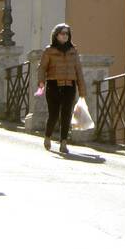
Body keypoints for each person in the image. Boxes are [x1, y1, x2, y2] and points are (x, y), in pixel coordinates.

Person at [37, 23, 87, 155]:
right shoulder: (49, 50)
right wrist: (41, 82)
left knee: (66, 114)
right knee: (53, 114)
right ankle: (48, 136)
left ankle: (63, 142)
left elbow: (78, 71)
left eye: (67, 34)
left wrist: (82, 90)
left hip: (69, 86)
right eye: (62, 33)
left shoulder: (73, 50)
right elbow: (42, 67)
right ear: (56, 35)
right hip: (53, 85)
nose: (65, 36)